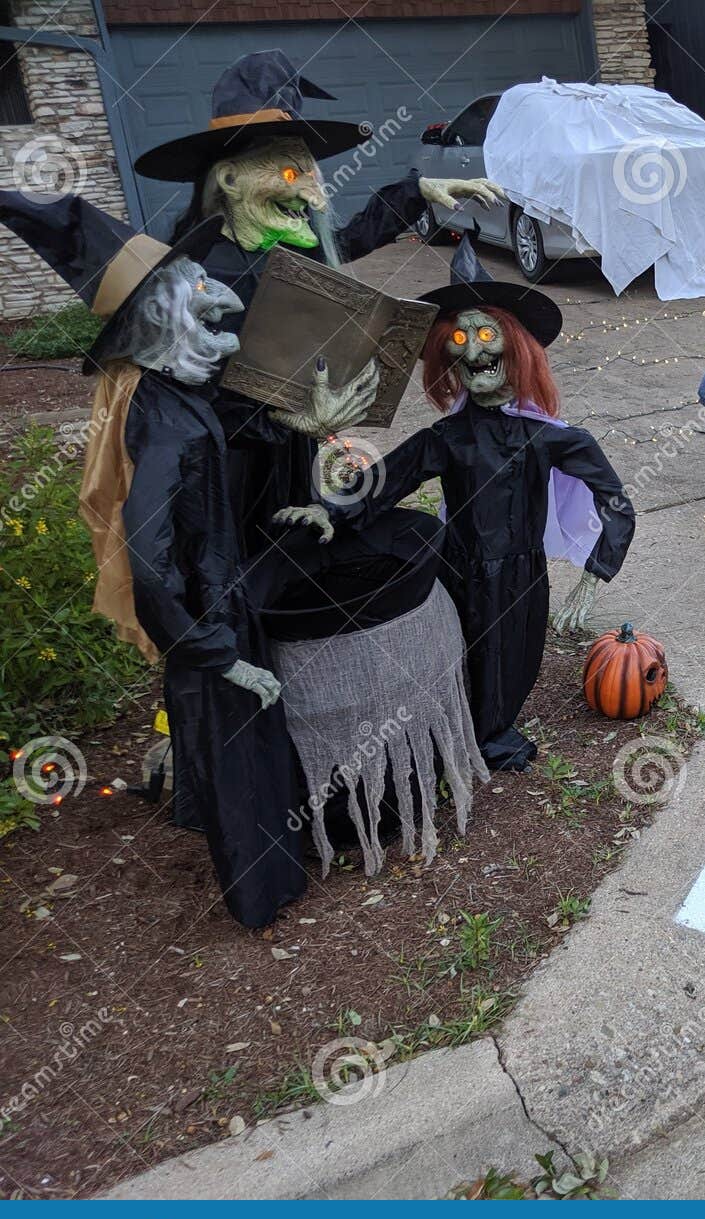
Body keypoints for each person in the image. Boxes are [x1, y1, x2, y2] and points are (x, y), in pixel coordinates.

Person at [0, 190, 306, 927]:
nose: (220, 296)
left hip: (217, 607)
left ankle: (274, 868)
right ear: (161, 314)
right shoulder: (165, 424)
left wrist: (301, 422)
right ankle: (259, 895)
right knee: (235, 748)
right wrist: (216, 654)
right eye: (197, 288)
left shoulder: (174, 389)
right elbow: (146, 553)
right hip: (209, 620)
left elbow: (230, 431)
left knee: (239, 742)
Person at [134, 49, 506, 555]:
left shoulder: (281, 243)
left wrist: (416, 191)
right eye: (290, 175)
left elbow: (344, 242)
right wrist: (280, 420)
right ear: (230, 180)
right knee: (241, 561)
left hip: (289, 453)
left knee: (300, 546)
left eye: (309, 173)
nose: (313, 196)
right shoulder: (197, 276)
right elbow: (179, 404)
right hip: (226, 471)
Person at [301, 234, 635, 772]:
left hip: (520, 573)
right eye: (460, 337)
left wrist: (594, 574)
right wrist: (330, 509)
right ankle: (460, 730)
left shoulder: (547, 438)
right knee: (457, 655)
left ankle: (491, 733)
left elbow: (615, 500)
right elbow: (386, 481)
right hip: (454, 569)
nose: (474, 350)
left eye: (485, 334)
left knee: (513, 661)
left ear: (515, 347)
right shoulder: (447, 438)